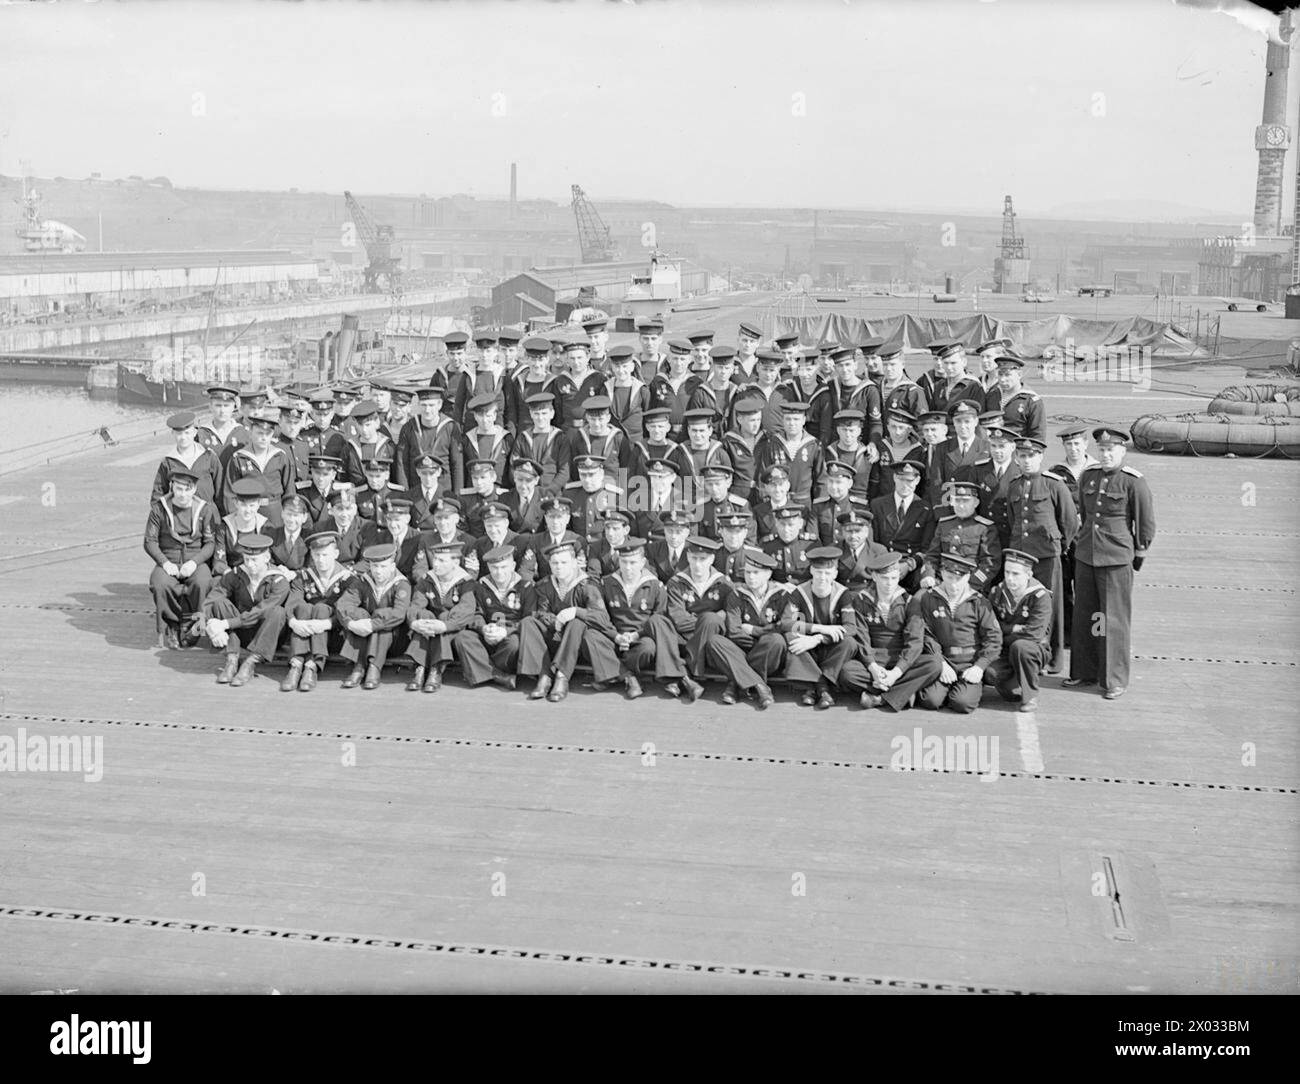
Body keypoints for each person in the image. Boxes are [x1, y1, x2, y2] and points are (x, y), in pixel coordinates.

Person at [1065, 427, 1155, 700]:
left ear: (1122, 451)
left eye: (1111, 450)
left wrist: (1138, 554)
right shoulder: (1089, 477)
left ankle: (1113, 679)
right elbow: (1083, 512)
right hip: (1086, 556)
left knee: (1113, 621)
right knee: (1087, 617)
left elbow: (1146, 523)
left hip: (1115, 559)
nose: (1105, 455)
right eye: (1102, 450)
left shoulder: (1133, 482)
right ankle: (1085, 671)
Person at [1004, 436, 1077, 672]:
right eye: (1022, 456)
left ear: (1041, 457)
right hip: (1021, 557)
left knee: (1050, 607)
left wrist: (1060, 547)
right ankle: (1032, 655)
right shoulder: (1014, 486)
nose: (1026, 461)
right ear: (1016, 458)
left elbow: (1068, 521)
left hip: (1046, 556)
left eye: (1031, 456)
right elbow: (1013, 518)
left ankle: (1054, 659)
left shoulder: (1054, 484)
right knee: (1024, 605)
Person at [836, 550, 942, 711]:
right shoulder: (861, 600)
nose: (889, 583)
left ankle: (879, 698)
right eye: (884, 578)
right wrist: (873, 668)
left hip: (901, 660)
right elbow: (862, 639)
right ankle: (903, 693)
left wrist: (895, 674)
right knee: (846, 672)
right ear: (874, 577)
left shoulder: (909, 601)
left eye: (894, 578)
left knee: (933, 664)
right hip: (874, 659)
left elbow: (914, 643)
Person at [589, 536, 689, 699]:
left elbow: (659, 618)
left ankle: (612, 672)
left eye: (633, 563)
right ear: (618, 562)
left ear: (643, 562)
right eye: (624, 562)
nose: (628, 568)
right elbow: (602, 616)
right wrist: (616, 637)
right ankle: (628, 676)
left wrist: (637, 635)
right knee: (591, 636)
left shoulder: (655, 586)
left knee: (649, 648)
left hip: (640, 639)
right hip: (614, 639)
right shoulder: (606, 583)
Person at [519, 539, 614, 702]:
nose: (559, 567)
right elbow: (540, 612)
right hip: (555, 637)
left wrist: (576, 612)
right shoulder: (545, 585)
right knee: (528, 622)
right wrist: (556, 619)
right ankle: (545, 675)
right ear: (549, 564)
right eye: (554, 563)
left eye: (564, 562)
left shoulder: (588, 585)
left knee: (576, 622)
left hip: (578, 645)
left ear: (574, 562)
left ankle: (562, 677)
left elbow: (602, 618)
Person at [913, 552, 1002, 713]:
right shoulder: (929, 598)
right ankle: (946, 689)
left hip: (969, 663)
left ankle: (965, 689)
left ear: (968, 576)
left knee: (962, 704)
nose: (953, 584)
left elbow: (993, 638)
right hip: (944, 661)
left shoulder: (979, 602)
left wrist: (979, 667)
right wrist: (941, 662)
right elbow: (926, 633)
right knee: (930, 701)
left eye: (958, 578)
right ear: (942, 574)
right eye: (949, 577)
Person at [203, 533, 290, 687]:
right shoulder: (235, 575)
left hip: (268, 635)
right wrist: (211, 625)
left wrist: (225, 624)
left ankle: (251, 662)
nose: (250, 564)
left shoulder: (279, 581)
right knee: (220, 604)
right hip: (242, 633)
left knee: (277, 612)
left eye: (255, 559)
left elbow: (260, 612)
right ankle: (232, 659)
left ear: (267, 557)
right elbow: (211, 600)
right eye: (246, 559)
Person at [144, 468, 218, 648]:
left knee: (202, 582)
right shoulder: (159, 509)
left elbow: (210, 543)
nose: (183, 494)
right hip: (169, 557)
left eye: (187, 489)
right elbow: (150, 541)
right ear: (172, 487)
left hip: (194, 557)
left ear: (194, 490)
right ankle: (171, 626)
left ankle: (194, 625)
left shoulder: (204, 510)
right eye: (179, 489)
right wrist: (165, 563)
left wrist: (194, 562)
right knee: (160, 584)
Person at [777, 545, 857, 709]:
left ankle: (813, 687)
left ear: (835, 574)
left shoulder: (843, 593)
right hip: (807, 649)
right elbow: (786, 622)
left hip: (828, 645)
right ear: (811, 571)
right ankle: (822, 689)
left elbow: (851, 627)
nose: (822, 577)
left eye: (828, 573)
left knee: (849, 643)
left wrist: (819, 638)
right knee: (791, 636)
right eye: (818, 572)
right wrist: (820, 629)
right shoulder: (800, 592)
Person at [282, 529, 355, 692]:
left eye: (325, 555)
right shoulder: (304, 576)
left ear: (336, 554)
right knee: (304, 607)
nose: (320, 560)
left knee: (322, 608)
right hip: (305, 631)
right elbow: (292, 604)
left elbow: (347, 611)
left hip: (334, 635)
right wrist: (293, 622)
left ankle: (312, 666)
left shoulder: (347, 579)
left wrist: (327, 624)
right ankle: (296, 664)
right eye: (316, 555)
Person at [335, 542, 413, 690]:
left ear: (392, 566)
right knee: (359, 614)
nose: (378, 571)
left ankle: (374, 667)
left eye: (383, 567)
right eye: (374, 566)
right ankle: (359, 667)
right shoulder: (364, 581)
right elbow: (343, 604)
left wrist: (371, 625)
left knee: (383, 617)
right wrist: (351, 624)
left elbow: (399, 614)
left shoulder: (402, 584)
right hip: (366, 638)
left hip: (393, 641)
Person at [405, 540, 479, 693]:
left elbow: (466, 610)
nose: (436, 564)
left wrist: (444, 626)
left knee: (445, 616)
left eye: (442, 560)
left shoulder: (466, 582)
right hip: (429, 629)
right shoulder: (427, 580)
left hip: (452, 632)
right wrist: (414, 623)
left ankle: (435, 669)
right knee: (424, 614)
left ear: (456, 562)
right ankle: (420, 669)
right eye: (435, 559)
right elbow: (415, 605)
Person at [983, 548, 1053, 712]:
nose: (1009, 578)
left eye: (1015, 574)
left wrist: (1003, 633)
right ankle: (1013, 683)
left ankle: (1031, 696)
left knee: (1021, 647)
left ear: (1028, 575)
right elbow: (990, 625)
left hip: (1033, 649)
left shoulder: (1040, 596)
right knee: (991, 673)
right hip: (1005, 649)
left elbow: (1033, 634)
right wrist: (1013, 628)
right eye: (1007, 572)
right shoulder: (997, 592)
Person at [721, 548, 784, 707]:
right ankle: (759, 686)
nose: (750, 577)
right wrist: (761, 640)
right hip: (745, 648)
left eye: (756, 572)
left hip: (769, 650)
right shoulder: (736, 594)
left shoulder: (782, 594)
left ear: (768, 574)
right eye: (747, 572)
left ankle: (735, 682)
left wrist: (756, 631)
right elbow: (734, 631)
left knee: (775, 640)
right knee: (716, 642)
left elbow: (787, 627)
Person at [465, 544, 533, 689]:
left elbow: (529, 620)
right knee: (463, 638)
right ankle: (498, 675)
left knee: (514, 644)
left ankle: (483, 669)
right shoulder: (481, 586)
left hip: (510, 637)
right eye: (494, 568)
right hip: (488, 636)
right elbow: (476, 614)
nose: (499, 572)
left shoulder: (526, 587)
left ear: (513, 566)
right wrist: (484, 628)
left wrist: (506, 632)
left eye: (503, 567)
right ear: (489, 568)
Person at [918, 481, 1001, 593]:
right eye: (957, 500)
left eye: (966, 501)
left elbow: (990, 564)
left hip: (971, 588)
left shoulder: (985, 528)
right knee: (918, 600)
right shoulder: (944, 524)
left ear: (976, 503)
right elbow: (932, 556)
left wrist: (969, 585)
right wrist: (929, 576)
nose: (961, 505)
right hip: (942, 584)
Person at [220, 407, 295, 526]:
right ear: (250, 433)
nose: (264, 438)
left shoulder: (280, 457)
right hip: (248, 513)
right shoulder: (239, 458)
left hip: (275, 511)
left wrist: (288, 515)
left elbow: (289, 492)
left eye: (267, 434)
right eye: (259, 433)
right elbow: (230, 494)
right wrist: (236, 520)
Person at [869, 460, 935, 591]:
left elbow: (927, 548)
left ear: (917, 480)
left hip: (911, 567)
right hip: (884, 565)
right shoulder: (877, 505)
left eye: (909, 481)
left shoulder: (926, 509)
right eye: (901, 479)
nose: (905, 485)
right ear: (894, 478)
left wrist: (909, 565)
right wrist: (888, 566)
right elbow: (873, 543)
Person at [152, 411, 221, 505]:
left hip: (207, 515)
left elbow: (220, 489)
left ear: (195, 432)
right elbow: (158, 493)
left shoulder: (209, 457)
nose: (183, 437)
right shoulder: (168, 461)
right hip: (180, 515)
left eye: (187, 433)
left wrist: (221, 517)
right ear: (173, 433)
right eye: (179, 434)